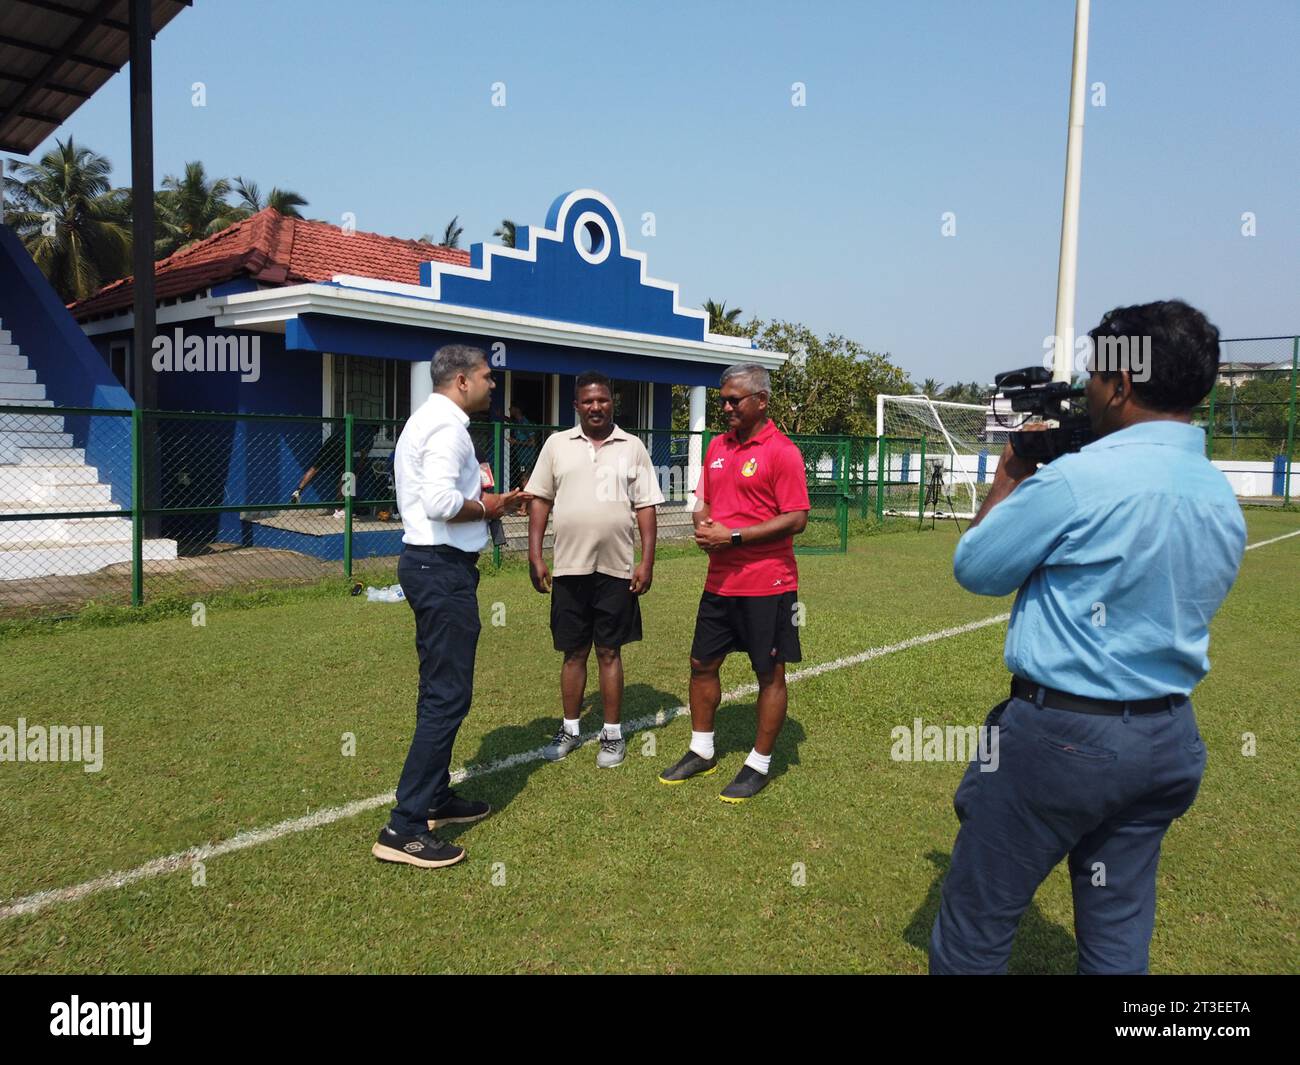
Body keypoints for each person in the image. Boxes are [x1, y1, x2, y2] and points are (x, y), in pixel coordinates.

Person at [928, 300, 1246, 974]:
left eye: (1094, 379)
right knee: (1116, 933)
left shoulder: (1080, 480)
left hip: (1064, 738)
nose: (1087, 393)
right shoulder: (1219, 492)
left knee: (976, 924)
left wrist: (1016, 464)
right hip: (1167, 739)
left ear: (1123, 385)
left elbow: (976, 565)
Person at [372, 344, 527, 869]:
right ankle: (404, 826)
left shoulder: (429, 421)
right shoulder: (446, 429)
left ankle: (435, 797)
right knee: (448, 696)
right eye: (487, 376)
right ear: (461, 380)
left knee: (437, 689)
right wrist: (494, 505)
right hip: (440, 571)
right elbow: (441, 503)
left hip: (431, 567)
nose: (493, 384)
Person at [658, 362, 810, 802]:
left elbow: (797, 517)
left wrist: (735, 536)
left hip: (769, 584)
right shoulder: (717, 448)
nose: (725, 407)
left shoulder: (782, 451)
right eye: (722, 399)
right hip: (720, 583)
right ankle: (702, 750)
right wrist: (703, 524)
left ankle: (759, 763)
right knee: (701, 664)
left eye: (733, 400)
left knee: (769, 672)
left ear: (761, 401)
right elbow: (703, 500)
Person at [527, 371, 664, 767]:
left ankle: (612, 734)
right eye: (588, 401)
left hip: (617, 569)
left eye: (602, 400)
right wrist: (535, 555)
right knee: (573, 652)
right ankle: (570, 728)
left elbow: (646, 506)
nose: (596, 407)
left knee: (609, 650)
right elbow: (540, 500)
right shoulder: (556, 445)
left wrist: (647, 561)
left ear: (612, 402)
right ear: (576, 406)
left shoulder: (632, 447)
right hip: (569, 568)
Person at [290, 423, 375, 516]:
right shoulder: (369, 436)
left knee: (315, 467)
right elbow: (363, 456)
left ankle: (298, 490)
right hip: (344, 447)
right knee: (345, 475)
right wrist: (359, 470)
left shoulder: (354, 424)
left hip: (331, 442)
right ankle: (340, 508)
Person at [507, 404, 540, 489]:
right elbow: (510, 421)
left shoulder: (525, 423)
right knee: (523, 476)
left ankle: (526, 498)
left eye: (511, 407)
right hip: (521, 459)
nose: (509, 409)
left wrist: (516, 442)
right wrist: (500, 416)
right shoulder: (517, 422)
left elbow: (533, 443)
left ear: (517, 409)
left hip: (527, 459)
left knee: (524, 477)